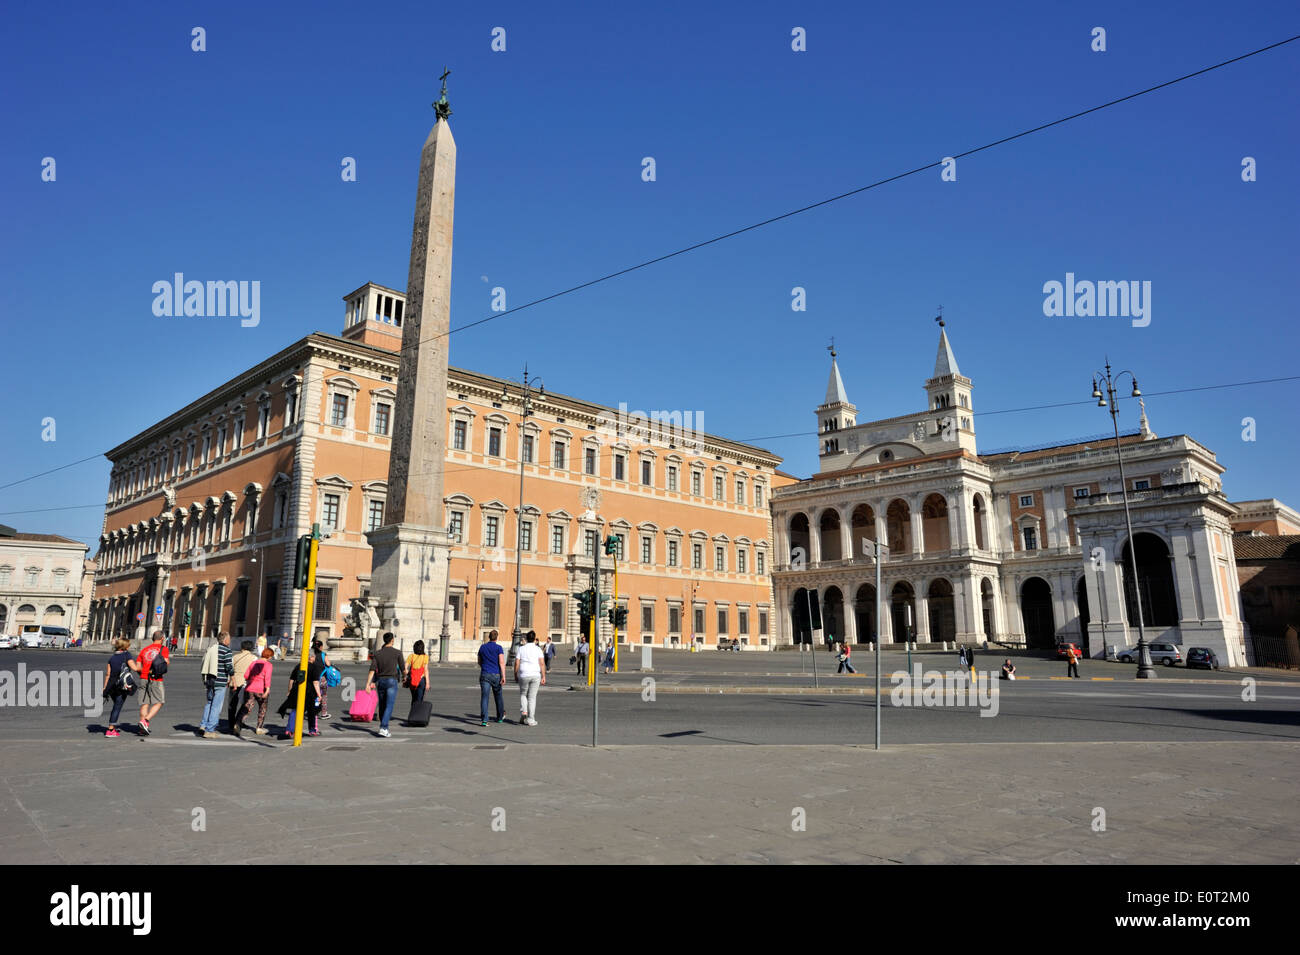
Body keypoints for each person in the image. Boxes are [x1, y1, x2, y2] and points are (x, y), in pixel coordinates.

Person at [366, 632, 405, 738]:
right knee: (389, 705)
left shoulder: (378, 653)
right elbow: (403, 668)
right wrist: (405, 677)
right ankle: (384, 727)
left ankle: (383, 727)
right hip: (392, 681)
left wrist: (368, 684)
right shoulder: (397, 652)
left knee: (382, 705)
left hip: (381, 681)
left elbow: (372, 670)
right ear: (392, 640)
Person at [281, 649, 323, 738]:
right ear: (311, 657)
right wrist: (319, 695)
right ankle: (312, 730)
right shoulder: (314, 668)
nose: (315, 658)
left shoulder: (299, 666)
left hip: (297, 690)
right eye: (314, 656)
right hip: (310, 692)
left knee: (295, 710)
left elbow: (292, 680)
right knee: (312, 711)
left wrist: (289, 691)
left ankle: (290, 730)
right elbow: (316, 682)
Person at [199, 632, 234, 739]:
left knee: (209, 703)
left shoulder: (211, 648)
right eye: (229, 638)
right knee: (216, 706)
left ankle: (203, 725)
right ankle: (210, 730)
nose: (230, 640)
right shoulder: (226, 650)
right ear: (225, 640)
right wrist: (232, 677)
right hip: (220, 681)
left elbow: (203, 662)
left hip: (210, 680)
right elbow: (229, 666)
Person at [136, 630, 170, 736]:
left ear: (152, 638)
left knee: (144, 703)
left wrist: (143, 673)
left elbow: (138, 667)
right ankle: (145, 721)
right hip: (155, 679)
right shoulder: (163, 649)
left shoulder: (144, 650)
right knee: (159, 701)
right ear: (162, 638)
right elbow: (166, 663)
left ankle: (142, 729)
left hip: (143, 678)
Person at [237, 647, 275, 736]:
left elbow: (246, 675)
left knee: (247, 708)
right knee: (262, 708)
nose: (271, 658)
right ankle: (259, 728)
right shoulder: (268, 665)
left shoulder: (253, 663)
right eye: (271, 656)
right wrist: (267, 690)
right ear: (269, 656)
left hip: (250, 688)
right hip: (261, 689)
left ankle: (238, 724)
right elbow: (267, 678)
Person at [102, 637, 135, 737]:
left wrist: (105, 688)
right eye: (128, 645)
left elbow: (108, 674)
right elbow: (134, 667)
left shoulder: (111, 658)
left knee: (116, 705)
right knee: (117, 706)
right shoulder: (126, 655)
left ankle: (112, 728)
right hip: (121, 685)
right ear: (125, 646)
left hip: (111, 686)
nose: (129, 646)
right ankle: (110, 729)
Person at [514, 631, 545, 726]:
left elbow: (517, 663)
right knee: (532, 698)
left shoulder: (521, 649)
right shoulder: (538, 649)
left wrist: (515, 674)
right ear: (535, 639)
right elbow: (542, 663)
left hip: (524, 674)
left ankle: (524, 711)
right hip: (535, 674)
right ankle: (531, 719)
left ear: (526, 639)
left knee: (523, 694)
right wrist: (543, 676)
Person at [226, 640, 257, 733]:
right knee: (245, 704)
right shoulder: (254, 658)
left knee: (232, 704)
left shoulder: (235, 657)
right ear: (251, 648)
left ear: (242, 647)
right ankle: (239, 722)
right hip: (246, 683)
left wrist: (228, 680)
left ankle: (231, 724)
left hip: (234, 682)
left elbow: (230, 669)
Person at [477, 629, 506, 726]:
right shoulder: (499, 648)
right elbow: (501, 662)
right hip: (496, 674)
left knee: (484, 697)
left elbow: (479, 661)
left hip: (485, 673)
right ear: (496, 638)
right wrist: (503, 676)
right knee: (498, 696)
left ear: (489, 637)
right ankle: (500, 717)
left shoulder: (482, 647)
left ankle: (484, 720)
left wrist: (484, 667)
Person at [313, 639, 334, 718]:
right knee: (324, 696)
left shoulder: (312, 655)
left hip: (314, 678)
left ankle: (314, 712)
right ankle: (324, 713)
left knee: (315, 695)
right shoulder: (323, 654)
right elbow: (328, 664)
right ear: (321, 647)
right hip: (322, 678)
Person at [406, 639, 429, 706]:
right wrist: (427, 683)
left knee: (414, 698)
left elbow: (405, 668)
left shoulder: (411, 656)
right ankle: (417, 714)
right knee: (419, 699)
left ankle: (412, 713)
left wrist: (408, 674)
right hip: (421, 680)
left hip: (412, 679)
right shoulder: (425, 657)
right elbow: (426, 670)